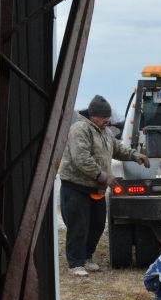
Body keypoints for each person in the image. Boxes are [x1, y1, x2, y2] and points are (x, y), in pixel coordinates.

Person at [58, 95, 149, 276]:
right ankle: (75, 263)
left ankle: (87, 257)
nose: (108, 120)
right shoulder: (80, 129)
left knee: (97, 225)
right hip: (76, 187)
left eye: (108, 117)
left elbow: (117, 148)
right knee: (79, 226)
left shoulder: (104, 132)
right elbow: (81, 158)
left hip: (95, 189)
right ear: (94, 116)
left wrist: (134, 155)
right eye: (104, 117)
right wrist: (102, 176)